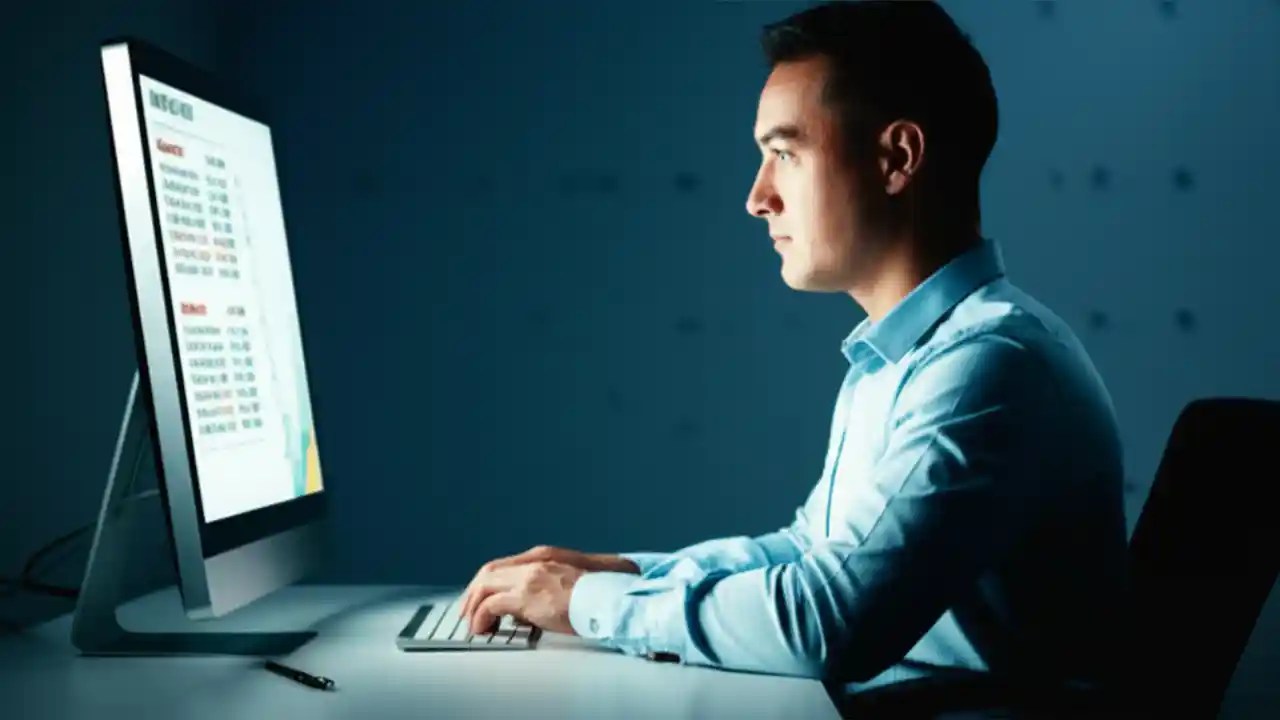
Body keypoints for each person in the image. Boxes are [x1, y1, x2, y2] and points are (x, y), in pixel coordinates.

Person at [457, 0, 1129, 708]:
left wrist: (593, 603)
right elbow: (811, 553)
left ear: (897, 158)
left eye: (784, 153)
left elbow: (828, 622)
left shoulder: (988, 365)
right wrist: (623, 573)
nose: (757, 197)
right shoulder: (905, 358)